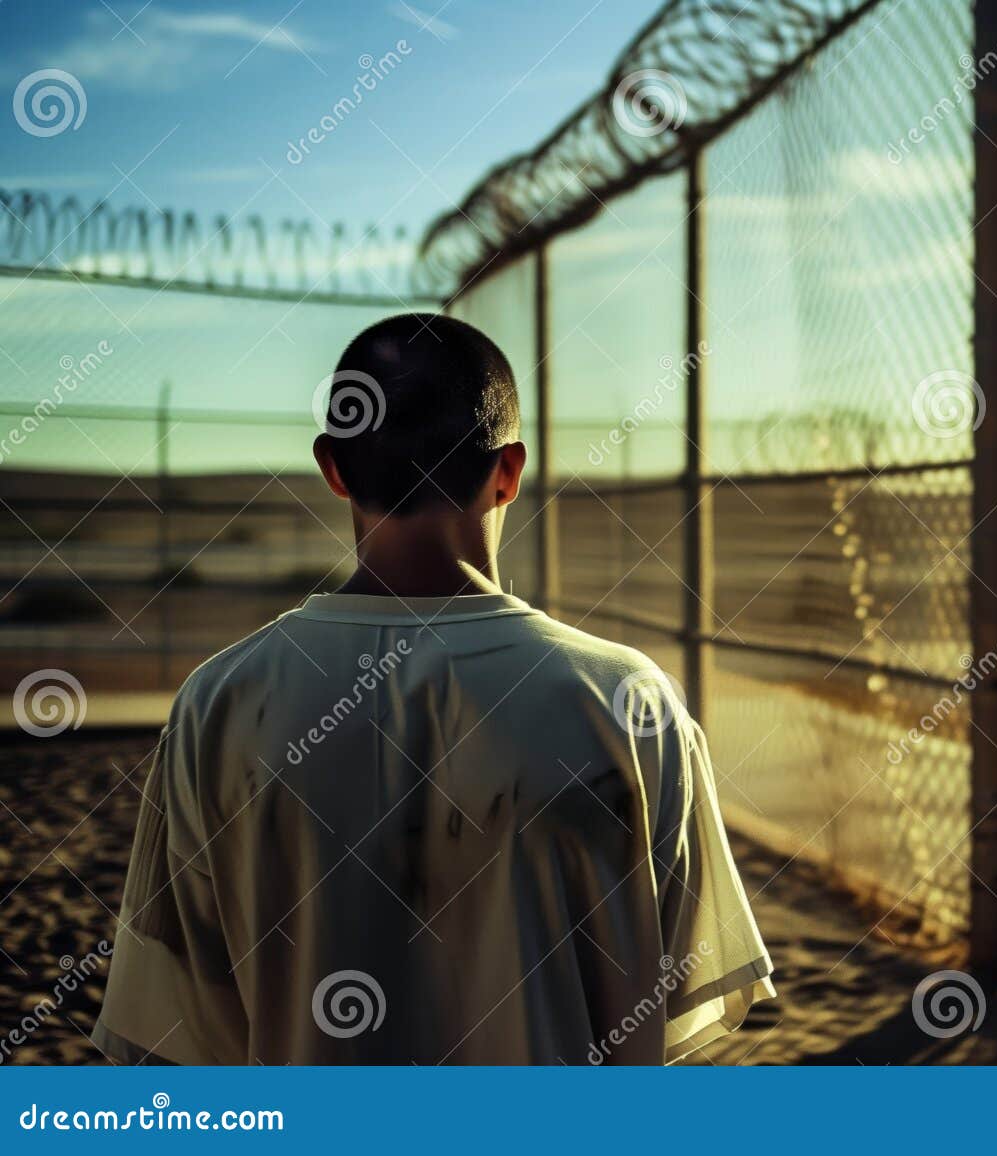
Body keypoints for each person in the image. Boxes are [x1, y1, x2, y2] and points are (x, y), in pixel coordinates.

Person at [93, 313, 773, 1064]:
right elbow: (679, 1000)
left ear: (335, 469)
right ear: (509, 470)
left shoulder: (217, 704)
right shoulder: (627, 701)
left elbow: (178, 1027)